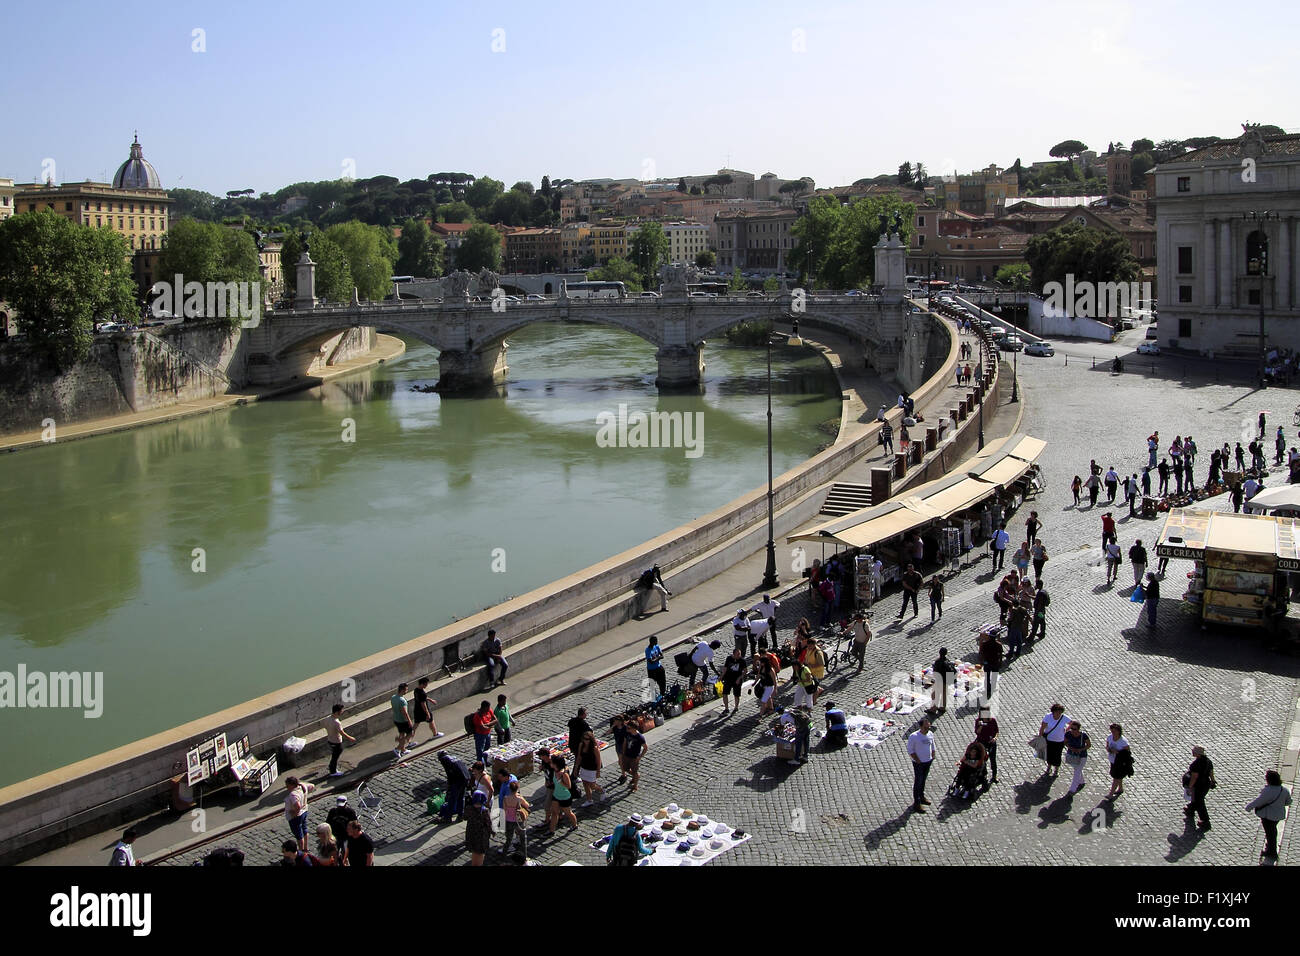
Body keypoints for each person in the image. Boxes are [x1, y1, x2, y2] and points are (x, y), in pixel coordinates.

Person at [1245, 770, 1292, 861]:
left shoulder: (1268, 790)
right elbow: (1288, 802)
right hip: (1277, 816)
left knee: (1270, 833)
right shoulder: (1284, 790)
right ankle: (1270, 849)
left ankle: (1271, 851)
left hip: (1268, 816)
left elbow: (1259, 801)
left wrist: (1248, 807)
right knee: (1272, 832)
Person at [907, 718, 936, 813]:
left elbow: (933, 745)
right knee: (918, 781)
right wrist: (918, 760)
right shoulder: (914, 736)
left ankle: (922, 796)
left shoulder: (930, 734)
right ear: (921, 726)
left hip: (928, 761)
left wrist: (933, 754)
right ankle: (917, 802)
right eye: (925, 726)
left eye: (928, 726)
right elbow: (910, 750)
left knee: (923, 780)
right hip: (919, 763)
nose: (927, 728)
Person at [1184, 745, 1215, 831]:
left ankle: (1205, 821)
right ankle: (1191, 808)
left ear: (1198, 754)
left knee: (1199, 801)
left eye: (1194, 752)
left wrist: (1190, 786)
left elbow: (1194, 776)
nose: (1192, 752)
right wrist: (1213, 781)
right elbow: (1211, 772)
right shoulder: (1208, 761)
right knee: (1198, 798)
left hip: (1198, 784)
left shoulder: (1196, 764)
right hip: (1206, 784)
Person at [283, 776, 315, 853]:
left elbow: (297, 806)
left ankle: (301, 851)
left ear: (292, 785)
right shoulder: (302, 785)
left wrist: (294, 813)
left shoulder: (293, 794)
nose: (286, 787)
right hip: (304, 811)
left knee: (298, 834)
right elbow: (312, 786)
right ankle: (306, 847)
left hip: (297, 817)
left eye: (287, 785)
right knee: (304, 829)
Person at [437, 749, 471, 823]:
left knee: (452, 799)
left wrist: (450, 784)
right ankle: (460, 815)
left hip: (458, 780)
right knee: (461, 797)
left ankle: (448, 817)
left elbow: (449, 773)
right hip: (466, 778)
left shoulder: (444, 759)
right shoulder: (454, 757)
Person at [575, 730, 607, 807]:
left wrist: (598, 771)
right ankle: (589, 800)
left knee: (592, 785)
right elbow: (579, 757)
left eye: (587, 739)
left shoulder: (594, 748)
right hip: (584, 767)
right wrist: (576, 768)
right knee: (585, 783)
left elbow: (598, 760)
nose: (585, 741)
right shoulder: (581, 745)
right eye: (584, 739)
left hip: (592, 768)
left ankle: (601, 790)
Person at [1039, 704, 1071, 778]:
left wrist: (1066, 730)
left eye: (1060, 712)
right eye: (1057, 712)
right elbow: (1042, 727)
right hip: (1049, 739)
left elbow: (1071, 723)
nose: (1058, 714)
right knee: (1049, 754)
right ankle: (1049, 767)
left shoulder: (1064, 718)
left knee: (1057, 755)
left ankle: (1056, 769)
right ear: (1053, 712)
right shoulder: (1048, 716)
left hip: (1060, 740)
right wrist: (1040, 736)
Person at [325, 703, 356, 778]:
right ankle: (333, 771)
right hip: (336, 742)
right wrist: (350, 738)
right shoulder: (337, 722)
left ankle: (331, 766)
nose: (342, 712)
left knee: (334, 755)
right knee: (335, 757)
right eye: (341, 711)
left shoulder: (328, 718)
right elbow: (342, 733)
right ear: (336, 712)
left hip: (330, 739)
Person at [548, 755, 579, 833]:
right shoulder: (555, 771)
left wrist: (560, 782)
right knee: (554, 813)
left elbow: (568, 786)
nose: (550, 763)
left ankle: (575, 825)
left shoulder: (563, 774)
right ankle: (551, 830)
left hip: (565, 797)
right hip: (556, 795)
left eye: (552, 762)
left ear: (556, 764)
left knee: (568, 813)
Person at [501, 780, 531, 859]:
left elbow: (504, 810)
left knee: (509, 839)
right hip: (519, 820)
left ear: (510, 789)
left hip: (509, 820)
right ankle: (524, 856)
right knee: (522, 838)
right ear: (517, 789)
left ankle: (504, 855)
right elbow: (527, 805)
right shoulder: (519, 798)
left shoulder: (505, 798)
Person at [411, 678, 443, 746]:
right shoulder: (422, 693)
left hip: (417, 710)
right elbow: (423, 704)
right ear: (423, 684)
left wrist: (430, 700)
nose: (427, 685)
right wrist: (427, 713)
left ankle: (409, 741)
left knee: (415, 725)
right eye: (426, 684)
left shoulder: (416, 690)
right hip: (423, 711)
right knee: (431, 721)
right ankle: (435, 734)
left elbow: (423, 698)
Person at [1062, 720, 1091, 794]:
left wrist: (1080, 749)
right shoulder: (1068, 734)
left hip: (1082, 756)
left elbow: (1088, 745)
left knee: (1076, 772)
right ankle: (1082, 781)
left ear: (1078, 729)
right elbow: (1065, 742)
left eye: (1074, 729)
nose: (1073, 730)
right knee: (1077, 769)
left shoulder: (1083, 735)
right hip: (1072, 755)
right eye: (1071, 728)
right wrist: (1071, 748)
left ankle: (1072, 789)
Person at [465, 790, 492, 866]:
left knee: (474, 851)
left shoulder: (468, 808)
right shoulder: (485, 811)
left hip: (471, 832)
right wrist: (491, 832)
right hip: (481, 834)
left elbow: (465, 817)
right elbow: (488, 823)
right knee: (480, 852)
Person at [1105, 724, 1133, 798]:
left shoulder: (1123, 741)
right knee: (1117, 776)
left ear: (1118, 731)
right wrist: (1109, 749)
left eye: (1114, 731)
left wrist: (1117, 752)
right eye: (1111, 731)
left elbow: (1127, 752)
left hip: (1120, 762)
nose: (1112, 732)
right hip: (1113, 760)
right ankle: (1120, 788)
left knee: (1116, 777)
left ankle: (1111, 794)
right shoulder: (1110, 737)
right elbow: (1107, 746)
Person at [391, 682, 415, 759]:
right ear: (402, 690)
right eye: (406, 689)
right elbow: (405, 712)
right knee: (410, 733)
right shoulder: (402, 700)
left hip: (396, 719)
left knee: (402, 733)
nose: (407, 691)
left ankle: (403, 749)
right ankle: (398, 749)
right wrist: (409, 721)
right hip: (403, 721)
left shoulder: (393, 697)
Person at [975, 707, 999, 784]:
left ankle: (994, 775)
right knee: (982, 760)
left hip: (991, 743)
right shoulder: (978, 721)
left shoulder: (992, 721)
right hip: (982, 743)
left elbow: (997, 731)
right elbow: (977, 732)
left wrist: (995, 738)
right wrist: (981, 726)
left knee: (993, 759)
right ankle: (983, 775)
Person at [720, 647, 747, 715]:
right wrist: (721, 677)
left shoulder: (742, 660)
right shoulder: (729, 658)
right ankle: (726, 708)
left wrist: (739, 678)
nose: (739, 655)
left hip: (737, 680)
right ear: (733, 654)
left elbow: (745, 671)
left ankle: (736, 707)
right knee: (725, 693)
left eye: (739, 654)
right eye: (737, 654)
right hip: (728, 678)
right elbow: (725, 668)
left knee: (736, 695)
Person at [622, 721, 648, 793]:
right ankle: (635, 776)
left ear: (634, 728)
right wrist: (623, 752)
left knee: (634, 771)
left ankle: (635, 785)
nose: (627, 729)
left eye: (629, 728)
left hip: (634, 757)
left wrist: (639, 757)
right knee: (625, 768)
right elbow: (625, 742)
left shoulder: (640, 737)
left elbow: (645, 748)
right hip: (627, 755)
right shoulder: (627, 733)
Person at [928, 647, 954, 715]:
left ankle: (933, 708)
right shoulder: (947, 660)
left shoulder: (938, 661)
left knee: (935, 694)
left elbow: (935, 672)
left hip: (940, 680)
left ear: (939, 652)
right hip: (946, 680)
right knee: (944, 693)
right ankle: (942, 707)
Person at [471, 699, 496, 763]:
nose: (489, 709)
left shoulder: (489, 711)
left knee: (487, 749)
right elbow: (482, 727)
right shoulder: (477, 716)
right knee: (480, 751)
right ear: (484, 707)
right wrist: (490, 725)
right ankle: (480, 764)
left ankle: (485, 761)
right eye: (488, 707)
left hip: (487, 734)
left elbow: (495, 720)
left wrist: (488, 724)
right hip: (480, 735)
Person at [644, 635, 666, 699]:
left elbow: (662, 655)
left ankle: (662, 694)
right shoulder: (648, 650)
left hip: (658, 667)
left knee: (662, 682)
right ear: (652, 642)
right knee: (652, 685)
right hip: (651, 670)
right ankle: (653, 698)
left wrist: (656, 658)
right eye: (655, 640)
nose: (657, 641)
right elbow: (650, 661)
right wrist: (658, 657)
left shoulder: (657, 646)